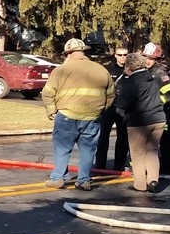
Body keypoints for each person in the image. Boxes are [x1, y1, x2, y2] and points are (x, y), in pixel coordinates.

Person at [42, 38, 115, 191]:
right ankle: (84, 181)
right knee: (88, 150)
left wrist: (51, 110)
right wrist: (101, 110)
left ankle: (58, 178)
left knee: (62, 149)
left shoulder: (62, 70)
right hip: (92, 118)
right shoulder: (101, 70)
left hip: (67, 115)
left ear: (68, 53)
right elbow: (111, 95)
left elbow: (48, 93)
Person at [114, 52, 167, 193]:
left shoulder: (131, 82)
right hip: (159, 119)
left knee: (137, 153)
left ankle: (140, 184)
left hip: (139, 122)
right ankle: (153, 180)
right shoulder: (153, 78)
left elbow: (124, 103)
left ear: (129, 67)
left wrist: (116, 102)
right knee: (153, 151)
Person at [143, 42, 170, 177]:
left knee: (166, 142)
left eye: (151, 59)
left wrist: (154, 103)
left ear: (157, 60)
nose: (147, 61)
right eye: (146, 58)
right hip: (161, 113)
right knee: (156, 143)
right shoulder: (149, 72)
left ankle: (167, 171)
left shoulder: (160, 74)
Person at [96, 45, 130, 172]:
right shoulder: (107, 70)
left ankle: (119, 165)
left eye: (125, 55)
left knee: (123, 138)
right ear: (115, 55)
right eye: (120, 55)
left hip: (124, 109)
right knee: (102, 136)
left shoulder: (132, 71)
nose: (122, 58)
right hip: (108, 108)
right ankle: (100, 164)